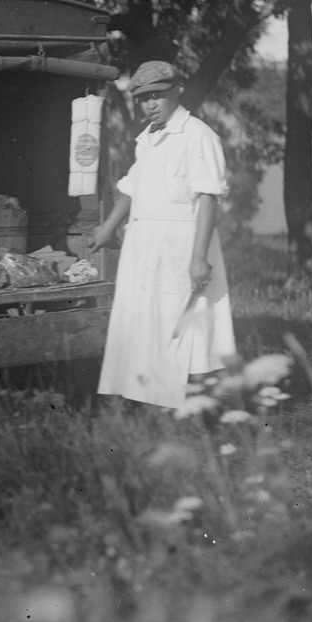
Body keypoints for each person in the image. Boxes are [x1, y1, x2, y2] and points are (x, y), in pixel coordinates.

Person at [88, 61, 236, 409]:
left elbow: (209, 197)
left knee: (180, 329)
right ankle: (142, 399)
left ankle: (178, 408)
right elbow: (132, 187)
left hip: (180, 246)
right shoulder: (149, 139)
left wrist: (199, 258)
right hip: (144, 245)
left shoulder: (198, 136)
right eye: (143, 99)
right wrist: (108, 227)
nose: (150, 105)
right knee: (142, 321)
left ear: (176, 92)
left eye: (158, 96)